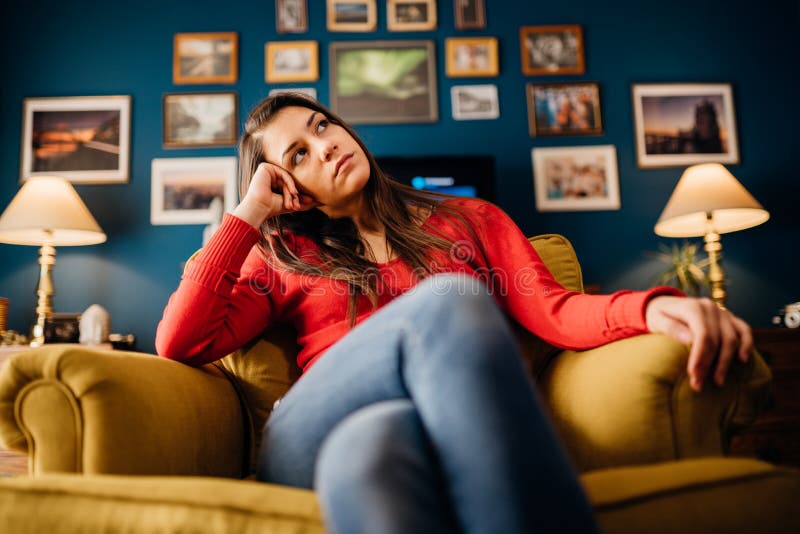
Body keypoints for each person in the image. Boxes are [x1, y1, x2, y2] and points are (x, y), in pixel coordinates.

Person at [156, 93, 753, 533]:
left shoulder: (473, 221)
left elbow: (557, 311)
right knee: (450, 300)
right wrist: (249, 214)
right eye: (300, 153)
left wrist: (654, 310)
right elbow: (181, 342)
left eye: (322, 125)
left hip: (392, 435)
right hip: (309, 428)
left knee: (372, 452)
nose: (327, 143)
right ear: (289, 186)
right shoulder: (281, 255)